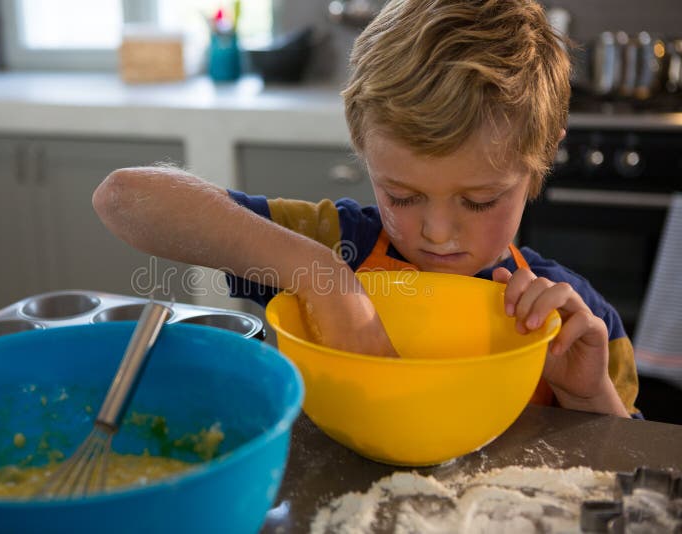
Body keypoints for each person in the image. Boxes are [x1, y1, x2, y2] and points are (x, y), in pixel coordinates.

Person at [93, 0, 638, 418]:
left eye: (480, 200)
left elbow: (629, 485)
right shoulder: (339, 245)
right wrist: (323, 278)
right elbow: (122, 199)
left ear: (541, 157)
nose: (438, 232)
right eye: (401, 195)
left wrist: (588, 396)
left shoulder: (577, 325)